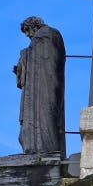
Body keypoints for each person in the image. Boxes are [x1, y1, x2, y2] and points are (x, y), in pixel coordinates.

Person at [13, 16, 66, 155]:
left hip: (44, 87)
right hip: (39, 85)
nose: (29, 35)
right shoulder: (44, 37)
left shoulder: (47, 34)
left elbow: (44, 57)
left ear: (35, 26)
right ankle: (35, 147)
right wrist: (22, 66)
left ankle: (42, 148)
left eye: (28, 30)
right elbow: (33, 57)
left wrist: (24, 59)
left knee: (44, 116)